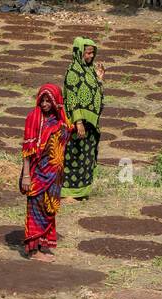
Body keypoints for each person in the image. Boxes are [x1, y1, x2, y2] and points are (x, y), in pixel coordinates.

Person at [20, 83, 72, 262]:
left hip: (55, 175)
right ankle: (34, 251)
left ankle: (43, 245)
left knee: (49, 210)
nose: (44, 104)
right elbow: (27, 151)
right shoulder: (34, 119)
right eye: (41, 100)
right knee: (36, 210)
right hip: (38, 175)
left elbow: (70, 133)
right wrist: (26, 176)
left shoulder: (61, 120)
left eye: (48, 100)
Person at [62, 37, 105, 202]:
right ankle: (67, 193)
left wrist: (99, 79)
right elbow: (71, 99)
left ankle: (81, 191)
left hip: (91, 124)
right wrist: (78, 122)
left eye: (93, 53)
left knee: (86, 157)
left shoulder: (90, 71)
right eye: (88, 53)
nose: (91, 56)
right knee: (72, 156)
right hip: (76, 124)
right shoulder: (72, 72)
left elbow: (96, 94)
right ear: (78, 52)